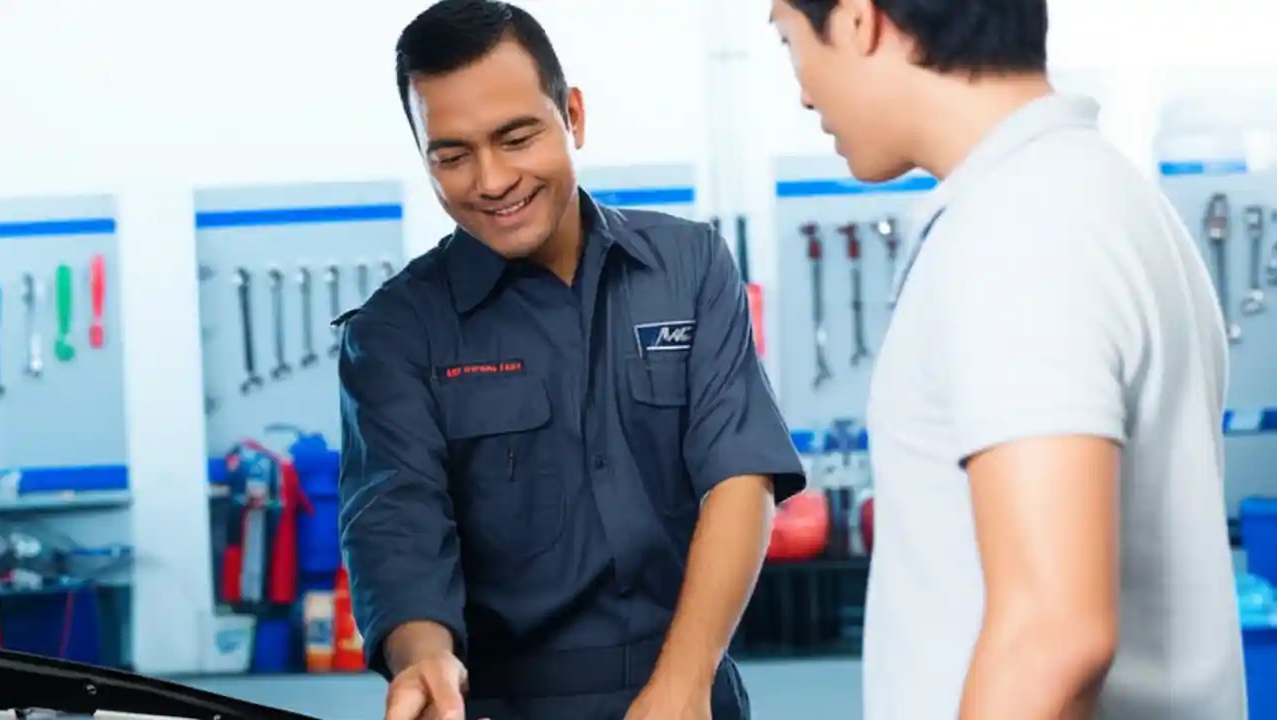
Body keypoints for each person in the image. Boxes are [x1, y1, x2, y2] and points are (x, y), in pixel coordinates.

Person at [770, 1, 1247, 719]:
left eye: (790, 40)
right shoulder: (1090, 194)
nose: (804, 90)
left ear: (859, 21)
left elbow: (1054, 640)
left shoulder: (1022, 226)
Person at [336, 2, 806, 719]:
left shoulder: (687, 266)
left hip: (691, 680)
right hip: (504, 700)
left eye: (515, 138)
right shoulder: (395, 331)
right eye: (453, 156)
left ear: (573, 117)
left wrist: (682, 685)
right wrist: (422, 654)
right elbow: (395, 518)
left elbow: (741, 474)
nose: (491, 181)